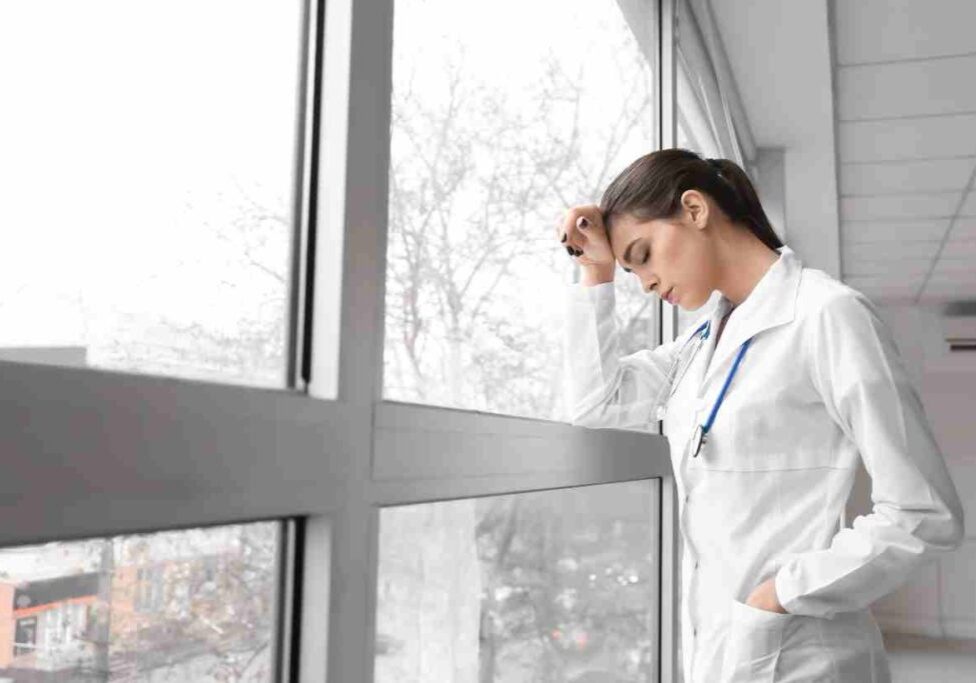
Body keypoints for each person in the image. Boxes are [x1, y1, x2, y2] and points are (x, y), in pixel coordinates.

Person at [555, 148, 964, 682]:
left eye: (645, 254)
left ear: (695, 210)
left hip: (804, 654)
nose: (647, 284)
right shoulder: (701, 343)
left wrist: (780, 597)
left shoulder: (827, 315)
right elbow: (597, 403)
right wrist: (596, 271)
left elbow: (923, 513)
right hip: (724, 651)